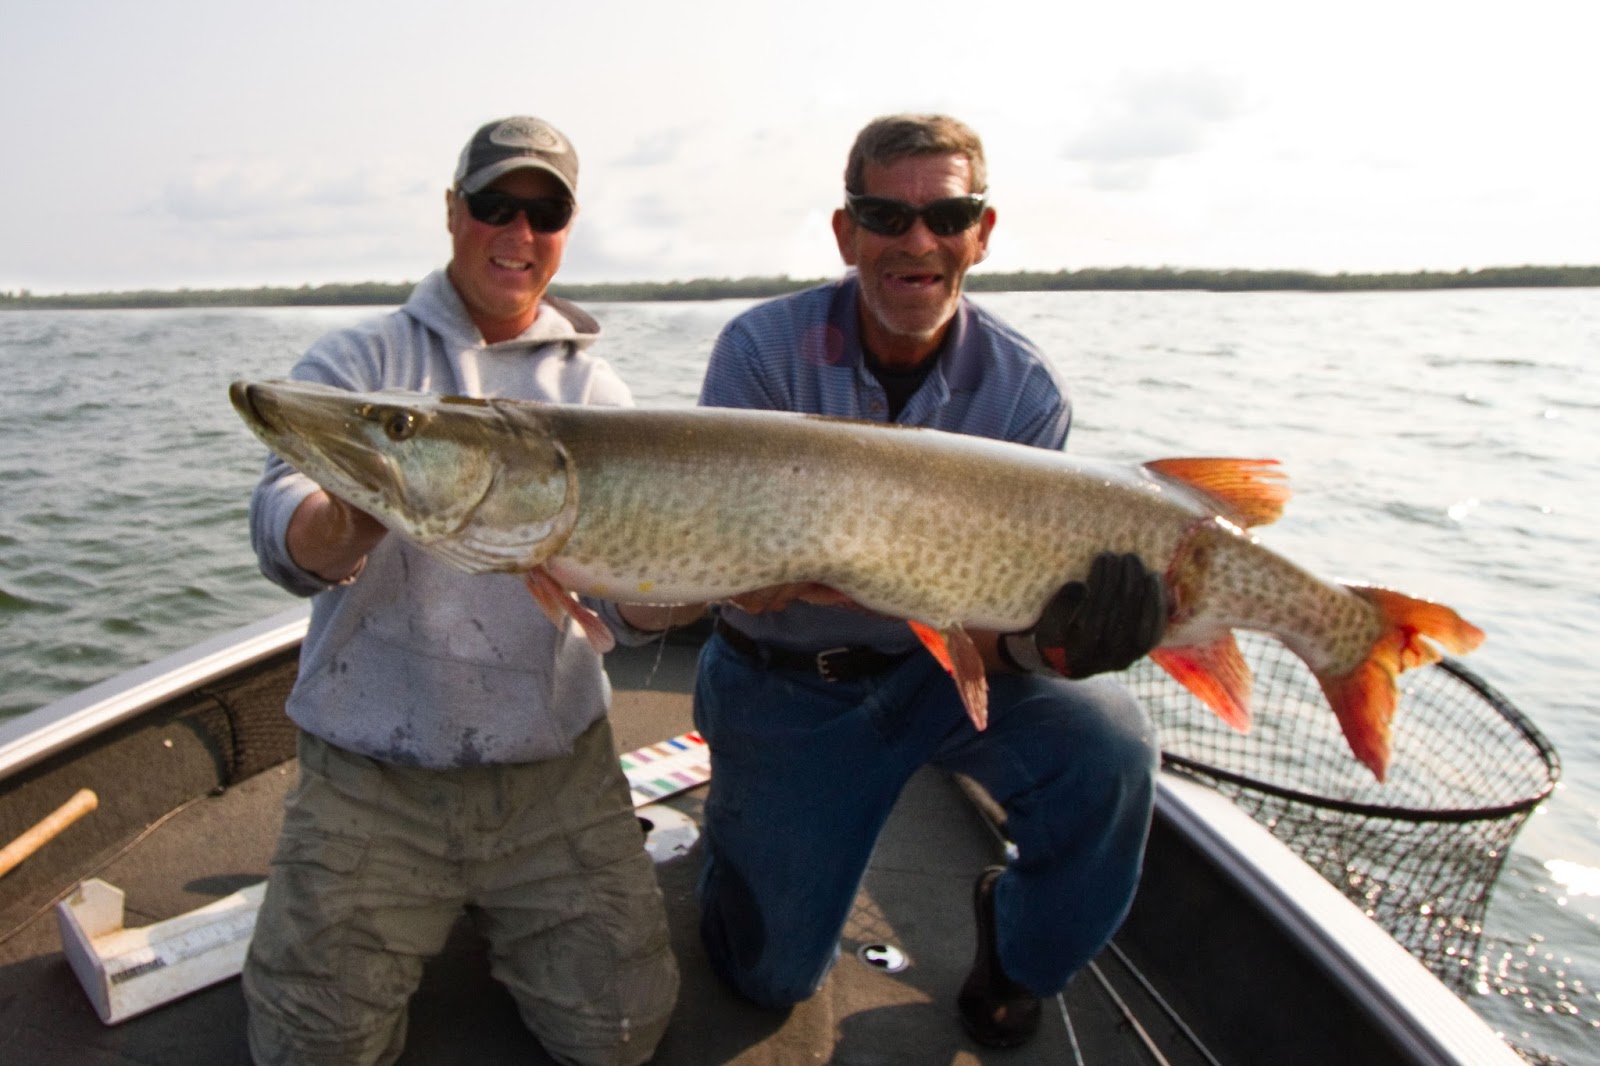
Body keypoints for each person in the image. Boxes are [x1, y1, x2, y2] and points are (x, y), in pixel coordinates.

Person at [623, 113, 1164, 1049]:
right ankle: (742, 848)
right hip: (785, 683)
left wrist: (1048, 644)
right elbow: (722, 560)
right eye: (886, 215)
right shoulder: (761, 352)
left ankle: (1021, 954)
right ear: (848, 234)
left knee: (1110, 740)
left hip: (942, 674)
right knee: (765, 976)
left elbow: (998, 621)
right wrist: (742, 573)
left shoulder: (1025, 391)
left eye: (947, 215)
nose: (918, 241)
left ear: (981, 235)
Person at [240, 116, 679, 1066]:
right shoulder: (360, 365)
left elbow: (636, 612)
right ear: (452, 213)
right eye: (493, 206)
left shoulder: (598, 397)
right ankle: (453, 907)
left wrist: (703, 582)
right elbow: (284, 534)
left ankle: (500, 910)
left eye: (544, 213)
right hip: (372, 777)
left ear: (565, 231)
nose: (517, 234)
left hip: (552, 771)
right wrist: (357, 505)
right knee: (308, 1055)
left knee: (622, 1037)